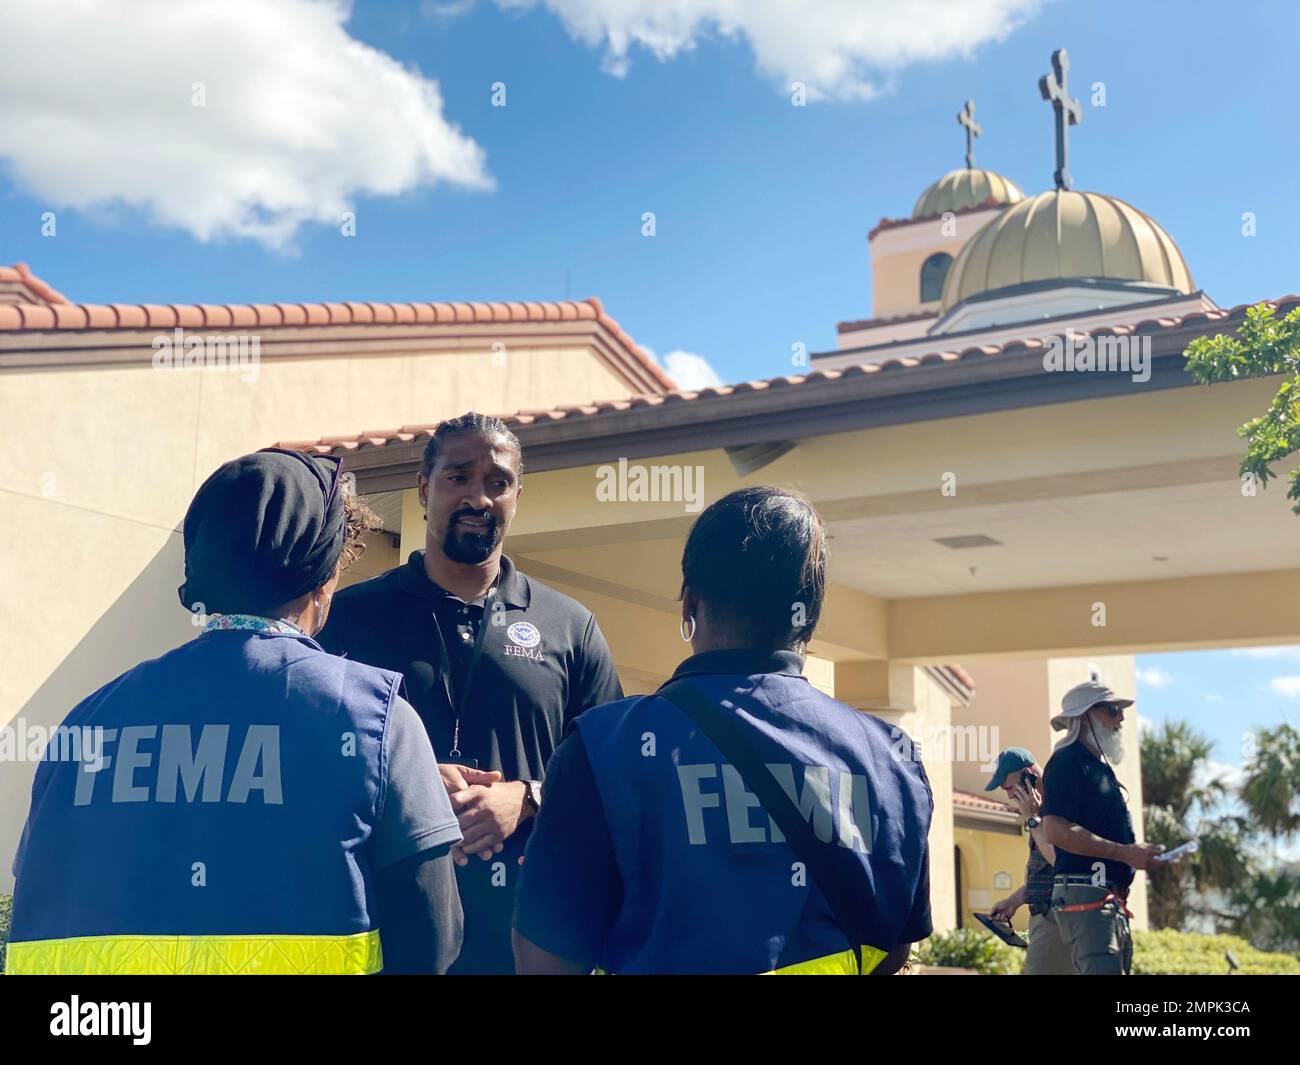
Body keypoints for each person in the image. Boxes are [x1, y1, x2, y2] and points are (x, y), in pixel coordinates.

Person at [6, 449, 463, 975]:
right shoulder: (377, 723)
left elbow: (38, 906)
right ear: (324, 577)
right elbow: (434, 941)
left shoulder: (85, 722)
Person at [512, 486, 934, 975]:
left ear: (689, 605)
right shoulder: (893, 759)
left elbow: (545, 960)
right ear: (810, 617)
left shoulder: (604, 748)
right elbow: (895, 950)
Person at [318, 412, 623, 974]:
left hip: (526, 944)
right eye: (458, 477)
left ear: (517, 496)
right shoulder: (350, 618)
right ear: (424, 490)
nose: (478, 497)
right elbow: (310, 756)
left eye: (497, 482)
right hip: (384, 935)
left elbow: (614, 772)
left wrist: (528, 795)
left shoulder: (569, 626)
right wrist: (409, 778)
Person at [1040, 681, 1165, 975]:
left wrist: (1132, 854)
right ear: (1085, 716)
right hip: (1088, 894)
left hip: (1100, 895)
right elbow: (1056, 831)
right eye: (1112, 710)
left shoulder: (1093, 765)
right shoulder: (1067, 762)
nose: (1120, 718)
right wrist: (1125, 853)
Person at [986, 747, 1073, 976]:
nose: (1009, 796)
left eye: (1009, 787)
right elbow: (1045, 869)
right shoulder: (1038, 811)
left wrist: (1033, 820)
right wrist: (1014, 901)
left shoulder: (1059, 805)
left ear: (1028, 775)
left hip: (1057, 916)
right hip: (1046, 917)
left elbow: (1062, 863)